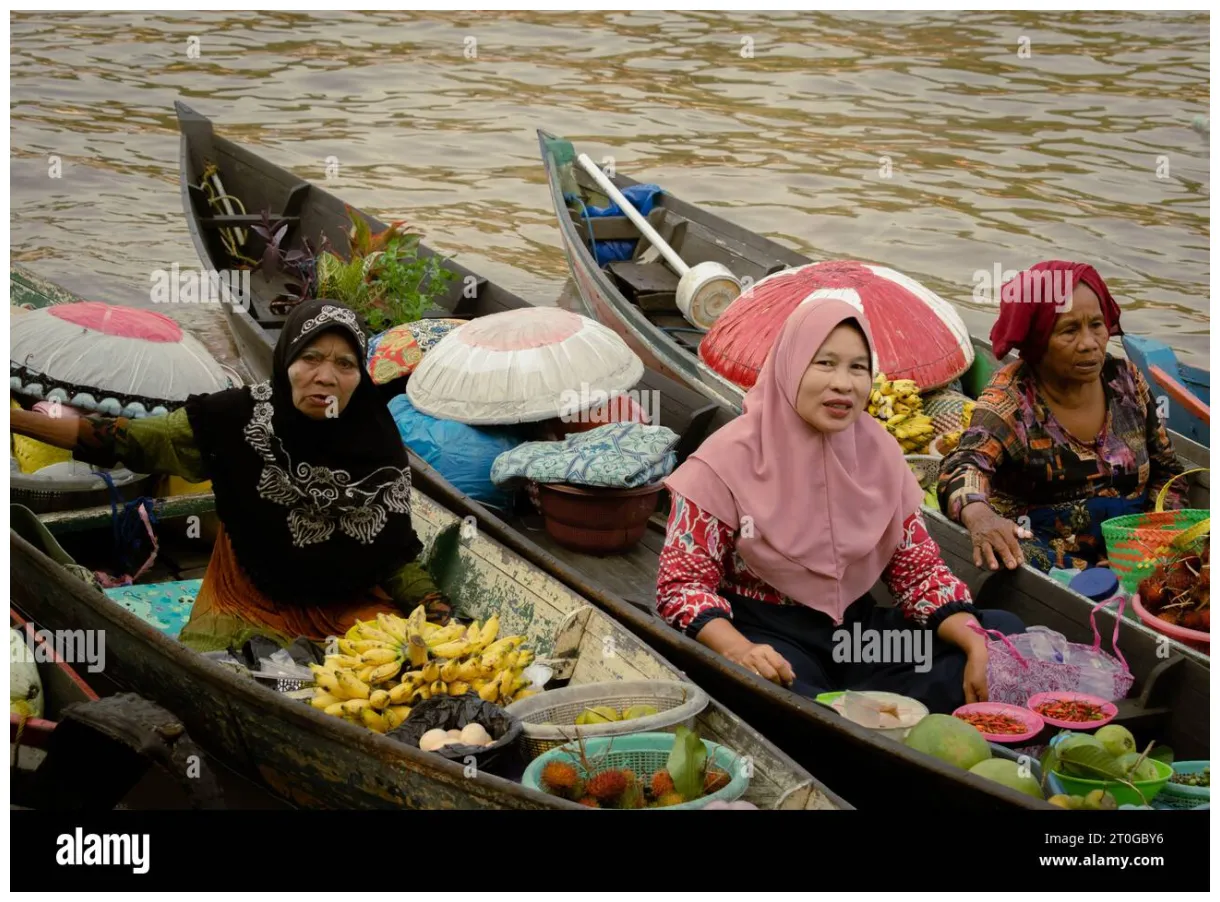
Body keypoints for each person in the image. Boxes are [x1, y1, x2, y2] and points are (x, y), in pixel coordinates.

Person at [11, 299, 450, 652]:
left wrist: (431, 604)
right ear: (285, 364)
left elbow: (393, 552)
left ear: (360, 375)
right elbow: (125, 439)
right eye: (310, 358)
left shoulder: (374, 436)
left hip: (345, 603)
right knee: (221, 660)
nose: (326, 377)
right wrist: (20, 421)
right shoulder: (233, 417)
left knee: (413, 658)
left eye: (345, 364)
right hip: (247, 599)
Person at [655, 297, 1024, 715]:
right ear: (790, 366)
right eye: (824, 364)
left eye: (858, 367)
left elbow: (919, 575)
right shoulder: (724, 460)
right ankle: (857, 716)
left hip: (857, 640)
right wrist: (739, 649)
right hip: (767, 634)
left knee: (1001, 637)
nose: (844, 384)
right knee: (784, 696)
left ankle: (865, 713)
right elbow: (682, 587)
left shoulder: (879, 452)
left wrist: (973, 639)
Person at [938, 261, 1186, 574]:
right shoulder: (1010, 401)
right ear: (1037, 341)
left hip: (1138, 544)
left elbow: (1168, 470)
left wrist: (1162, 540)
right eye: (1069, 330)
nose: (1089, 343)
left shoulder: (1125, 381)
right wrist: (979, 515)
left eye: (1096, 325)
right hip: (1052, 554)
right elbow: (963, 465)